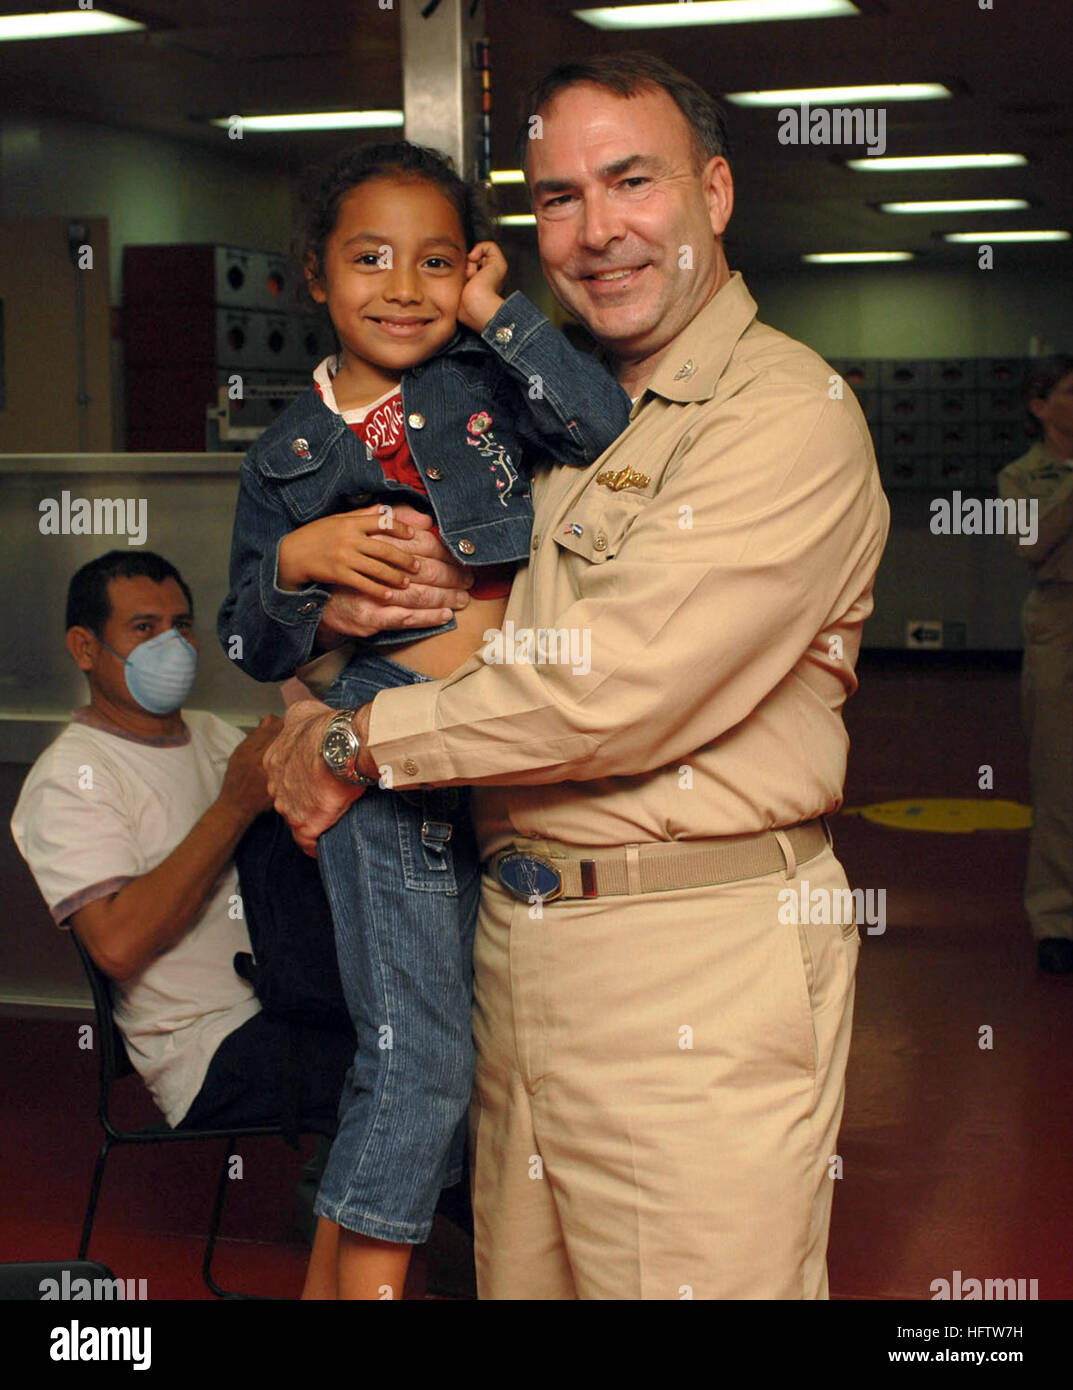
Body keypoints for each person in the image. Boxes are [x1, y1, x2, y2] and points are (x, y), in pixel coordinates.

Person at [264, 54, 890, 1300]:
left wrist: (354, 741)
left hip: (690, 960)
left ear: (712, 193)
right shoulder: (540, 425)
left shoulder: (778, 412)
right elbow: (440, 623)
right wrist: (316, 602)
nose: (595, 229)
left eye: (629, 181)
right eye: (556, 197)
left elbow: (612, 690)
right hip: (515, 940)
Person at [216, 141, 632, 1300]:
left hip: (505, 744)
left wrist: (501, 317)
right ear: (313, 274)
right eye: (369, 257)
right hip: (383, 743)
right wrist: (298, 565)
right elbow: (248, 640)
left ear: (473, 270)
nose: (403, 286)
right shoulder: (287, 455)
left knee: (469, 1054)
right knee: (417, 1056)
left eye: (437, 261)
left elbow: (602, 429)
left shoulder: (485, 386)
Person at [9, 552, 355, 1252]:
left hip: (282, 999)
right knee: (393, 1070)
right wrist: (232, 806)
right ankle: (400, 1233)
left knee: (428, 1037)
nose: (172, 644)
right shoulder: (71, 780)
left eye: (182, 625)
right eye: (144, 627)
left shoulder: (207, 734)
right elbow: (117, 945)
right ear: (85, 647)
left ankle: (358, 1210)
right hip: (204, 1045)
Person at [997, 356, 1073, 974]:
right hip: (1060, 621)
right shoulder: (1022, 476)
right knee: (1059, 779)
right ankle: (1057, 920)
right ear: (1040, 407)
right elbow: (1030, 541)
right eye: (1070, 394)